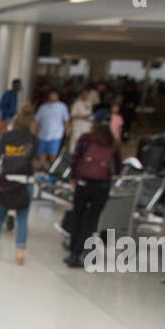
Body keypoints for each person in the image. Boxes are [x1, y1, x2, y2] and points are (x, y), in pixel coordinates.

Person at [0, 103, 37, 265]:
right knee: (22, 218)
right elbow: (32, 161)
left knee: (0, 214)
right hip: (25, 182)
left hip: (8, 181)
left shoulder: (7, 137)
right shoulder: (33, 140)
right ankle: (19, 252)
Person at [65, 123, 123, 267]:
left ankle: (72, 253)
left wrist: (73, 177)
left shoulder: (85, 139)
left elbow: (75, 159)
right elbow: (118, 168)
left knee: (77, 216)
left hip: (83, 184)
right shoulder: (113, 144)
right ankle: (79, 253)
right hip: (102, 187)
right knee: (91, 221)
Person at [34, 90, 69, 167]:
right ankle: (42, 171)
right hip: (43, 135)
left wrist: (67, 132)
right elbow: (37, 121)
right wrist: (34, 132)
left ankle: (52, 171)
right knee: (42, 154)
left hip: (56, 135)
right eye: (51, 95)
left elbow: (66, 121)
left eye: (54, 95)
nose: (53, 96)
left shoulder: (62, 107)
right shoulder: (43, 107)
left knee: (53, 155)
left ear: (58, 96)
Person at [68, 89, 94, 155]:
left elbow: (90, 114)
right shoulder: (76, 103)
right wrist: (83, 117)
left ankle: (84, 154)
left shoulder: (89, 103)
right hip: (78, 126)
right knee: (76, 140)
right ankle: (73, 154)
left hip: (87, 126)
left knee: (86, 140)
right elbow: (72, 115)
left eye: (86, 94)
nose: (85, 95)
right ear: (81, 95)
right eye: (84, 94)